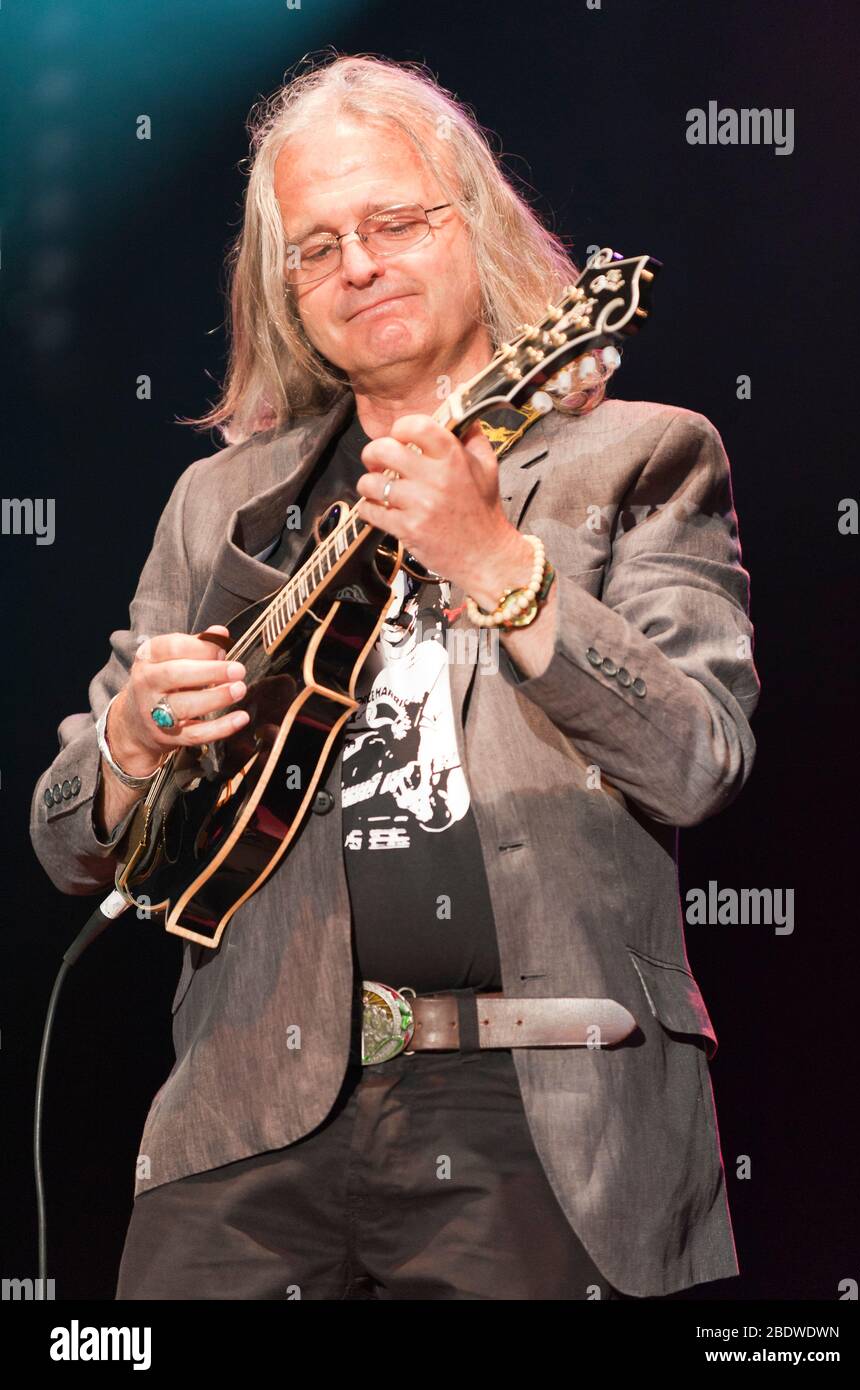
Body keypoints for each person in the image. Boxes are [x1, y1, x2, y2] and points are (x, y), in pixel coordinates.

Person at [29, 53, 760, 1300]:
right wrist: (131, 749)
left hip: (538, 1105)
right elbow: (66, 838)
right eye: (313, 248)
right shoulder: (221, 505)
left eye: (391, 223)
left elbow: (697, 758)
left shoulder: (638, 456)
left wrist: (500, 567)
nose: (355, 264)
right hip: (248, 1105)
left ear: (470, 224)